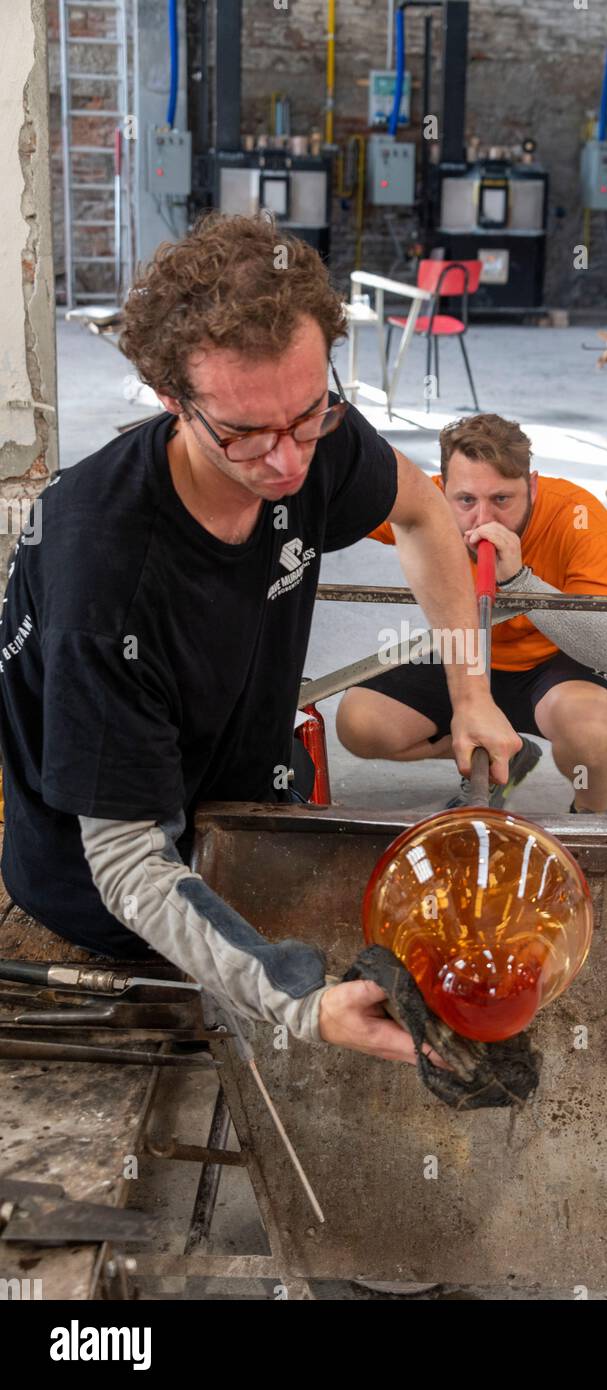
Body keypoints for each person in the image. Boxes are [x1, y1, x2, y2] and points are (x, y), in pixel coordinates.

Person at [0, 214, 521, 1068]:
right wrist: (298, 1002)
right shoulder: (103, 575)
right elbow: (129, 863)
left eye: (308, 416)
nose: (286, 464)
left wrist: (470, 692)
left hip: (244, 808)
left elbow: (424, 511)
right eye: (244, 434)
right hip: (108, 887)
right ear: (172, 399)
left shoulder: (305, 430)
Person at [337, 413, 607, 813]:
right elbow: (330, 504)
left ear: (531, 486)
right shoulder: (424, 506)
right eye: (466, 500)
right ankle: (506, 754)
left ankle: (590, 818)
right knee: (360, 723)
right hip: (469, 652)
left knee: (592, 735)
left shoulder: (578, 516)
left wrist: (520, 580)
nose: (483, 520)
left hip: (559, 661)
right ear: (441, 489)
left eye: (502, 499)